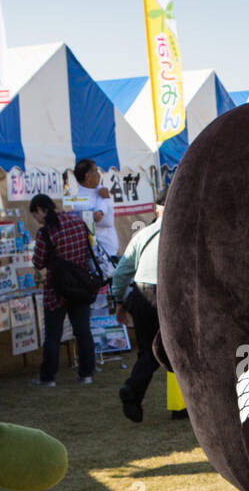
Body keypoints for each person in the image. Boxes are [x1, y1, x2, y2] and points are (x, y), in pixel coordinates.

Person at [112, 185, 167, 422]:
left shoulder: (142, 234)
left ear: (156, 210)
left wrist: (119, 301)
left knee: (148, 350)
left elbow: (121, 273)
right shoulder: (183, 232)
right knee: (173, 349)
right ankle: (184, 406)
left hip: (140, 293)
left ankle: (133, 392)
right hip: (168, 294)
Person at [29, 192, 97, 386]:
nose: (37, 219)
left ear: (42, 210)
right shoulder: (77, 222)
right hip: (80, 286)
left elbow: (38, 262)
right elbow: (88, 250)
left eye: (36, 214)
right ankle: (87, 374)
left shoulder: (46, 232)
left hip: (56, 289)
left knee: (53, 335)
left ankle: (48, 377)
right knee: (83, 331)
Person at [72, 158, 119, 269]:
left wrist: (104, 201)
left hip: (112, 250)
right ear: (88, 176)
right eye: (96, 171)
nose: (99, 174)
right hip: (99, 255)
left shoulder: (100, 190)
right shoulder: (79, 200)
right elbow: (107, 221)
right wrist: (105, 201)